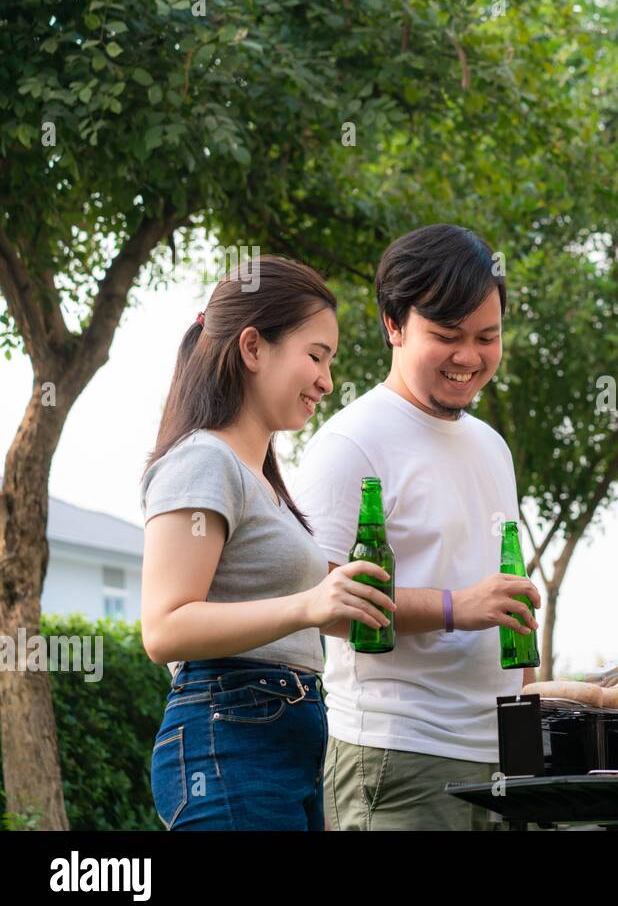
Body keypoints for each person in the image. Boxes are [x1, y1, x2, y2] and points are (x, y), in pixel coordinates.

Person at [292, 223, 541, 831]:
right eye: (447, 335)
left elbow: (508, 602)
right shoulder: (350, 443)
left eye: (488, 336)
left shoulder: (492, 447)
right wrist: (457, 606)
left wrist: (529, 731)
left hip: (501, 755)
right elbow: (326, 607)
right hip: (399, 758)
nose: (470, 356)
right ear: (392, 325)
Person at [141, 256, 395, 830]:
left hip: (289, 733)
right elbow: (163, 629)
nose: (327, 381)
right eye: (316, 356)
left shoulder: (264, 483)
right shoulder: (204, 460)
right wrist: (307, 604)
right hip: (230, 739)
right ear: (253, 348)